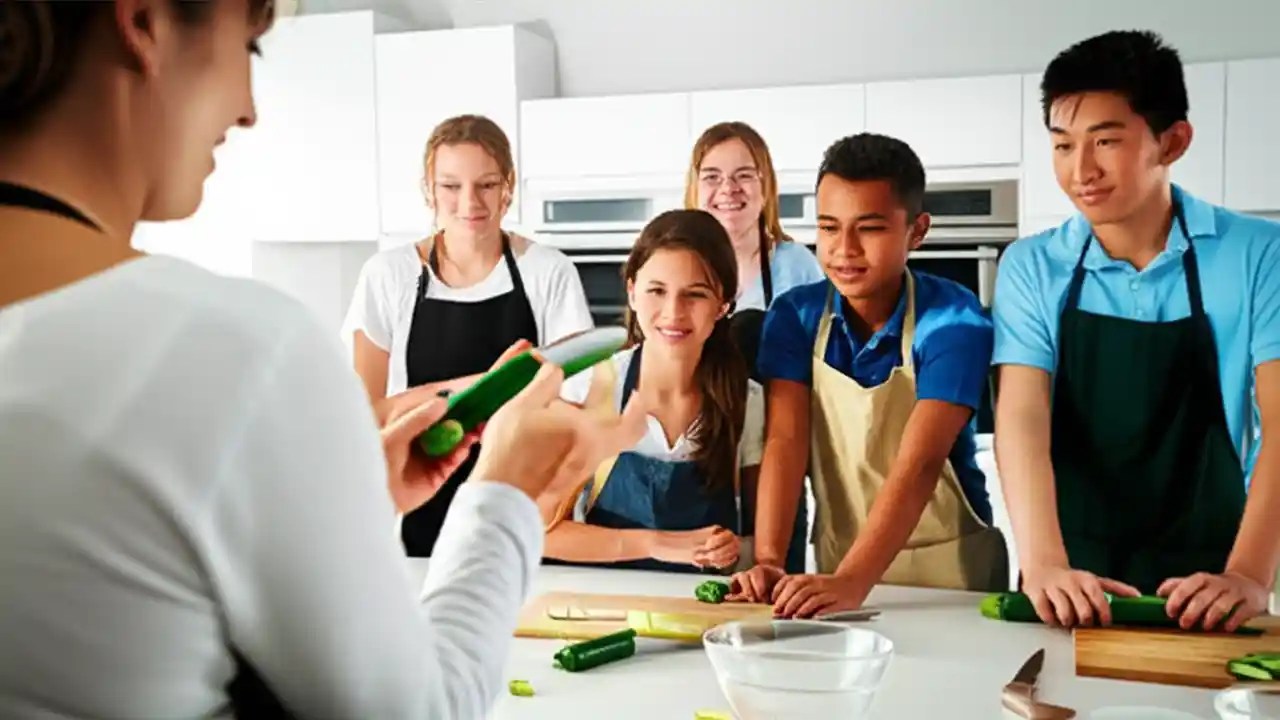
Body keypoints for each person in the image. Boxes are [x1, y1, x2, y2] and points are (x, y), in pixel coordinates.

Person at [0, 2, 646, 718]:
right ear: (144, 21)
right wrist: (504, 492)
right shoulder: (240, 351)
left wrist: (349, 499)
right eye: (251, 48)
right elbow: (414, 709)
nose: (247, 109)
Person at [991, 30, 1280, 632]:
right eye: (1063, 145)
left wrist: (1249, 574)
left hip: (1212, 582)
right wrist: (1043, 564)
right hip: (1070, 583)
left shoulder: (1258, 254)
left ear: (1172, 142)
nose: (1081, 171)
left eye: (1106, 142)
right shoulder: (1031, 266)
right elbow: (1021, 416)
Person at [729, 133, 1009, 617]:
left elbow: (920, 463)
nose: (844, 249)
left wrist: (854, 581)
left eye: (870, 228)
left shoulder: (953, 320)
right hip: (838, 571)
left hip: (951, 581)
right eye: (830, 228)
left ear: (916, 231)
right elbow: (785, 443)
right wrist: (771, 559)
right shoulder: (795, 316)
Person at [343, 113, 595, 557]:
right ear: (428, 189)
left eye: (486, 184)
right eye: (450, 186)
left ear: (508, 186)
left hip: (520, 500)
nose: (469, 202)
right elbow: (369, 417)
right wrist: (491, 382)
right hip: (416, 499)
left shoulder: (547, 271)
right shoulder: (388, 275)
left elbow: (572, 405)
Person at [541, 209, 765, 574]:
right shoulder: (592, 390)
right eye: (657, 291)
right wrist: (657, 543)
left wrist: (735, 548)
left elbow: (766, 545)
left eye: (695, 294)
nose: (673, 312)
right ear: (631, 292)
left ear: (723, 305)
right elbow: (542, 531)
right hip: (606, 606)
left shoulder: (747, 401)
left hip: (704, 611)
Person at [686, 121, 824, 572]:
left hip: (775, 468)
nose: (729, 189)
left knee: (775, 600)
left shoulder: (796, 266)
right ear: (695, 187)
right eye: (712, 176)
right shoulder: (678, 263)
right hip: (693, 466)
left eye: (744, 175)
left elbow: (824, 367)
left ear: (766, 186)